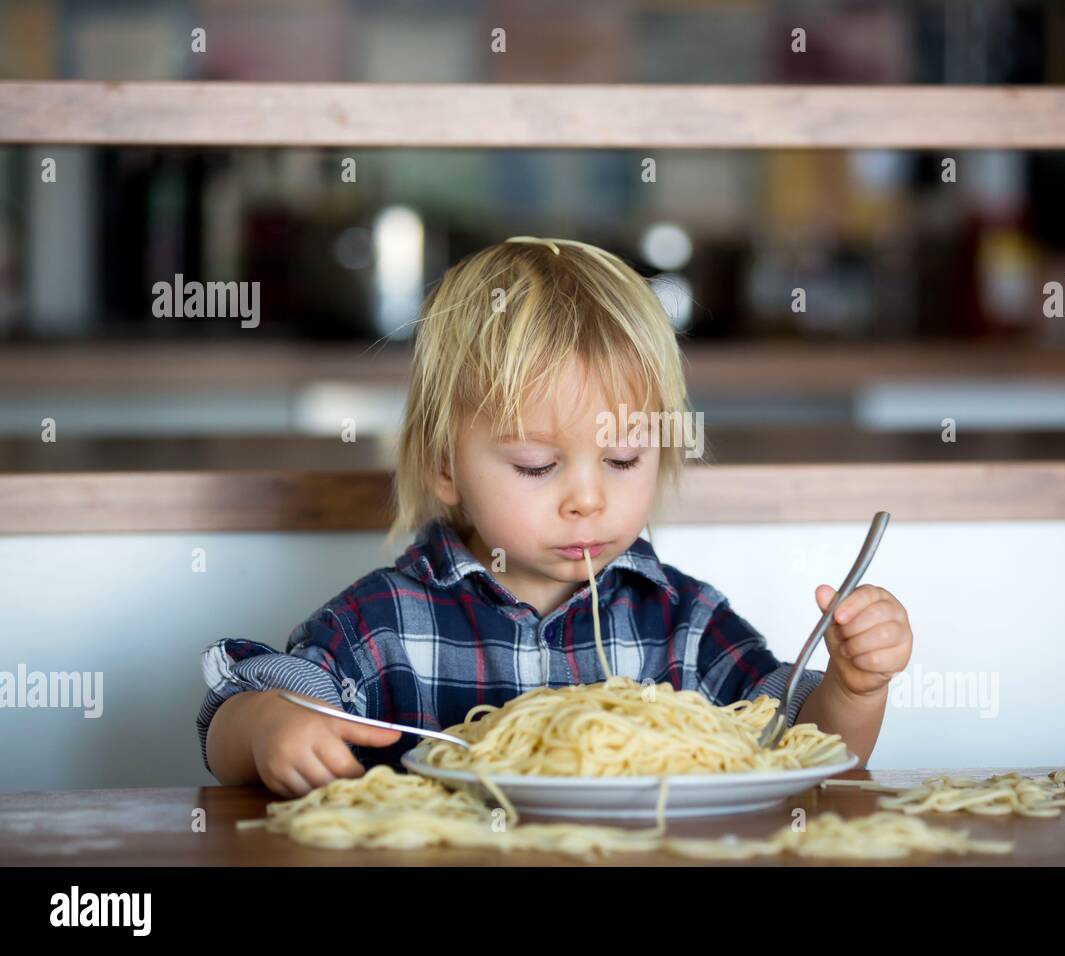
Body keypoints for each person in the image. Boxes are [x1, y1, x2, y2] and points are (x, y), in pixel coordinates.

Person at [200, 237, 913, 796]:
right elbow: (234, 712)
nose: (587, 499)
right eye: (538, 467)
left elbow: (807, 749)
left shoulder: (681, 623)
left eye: (624, 460)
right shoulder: (386, 625)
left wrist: (854, 689)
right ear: (446, 467)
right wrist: (266, 728)